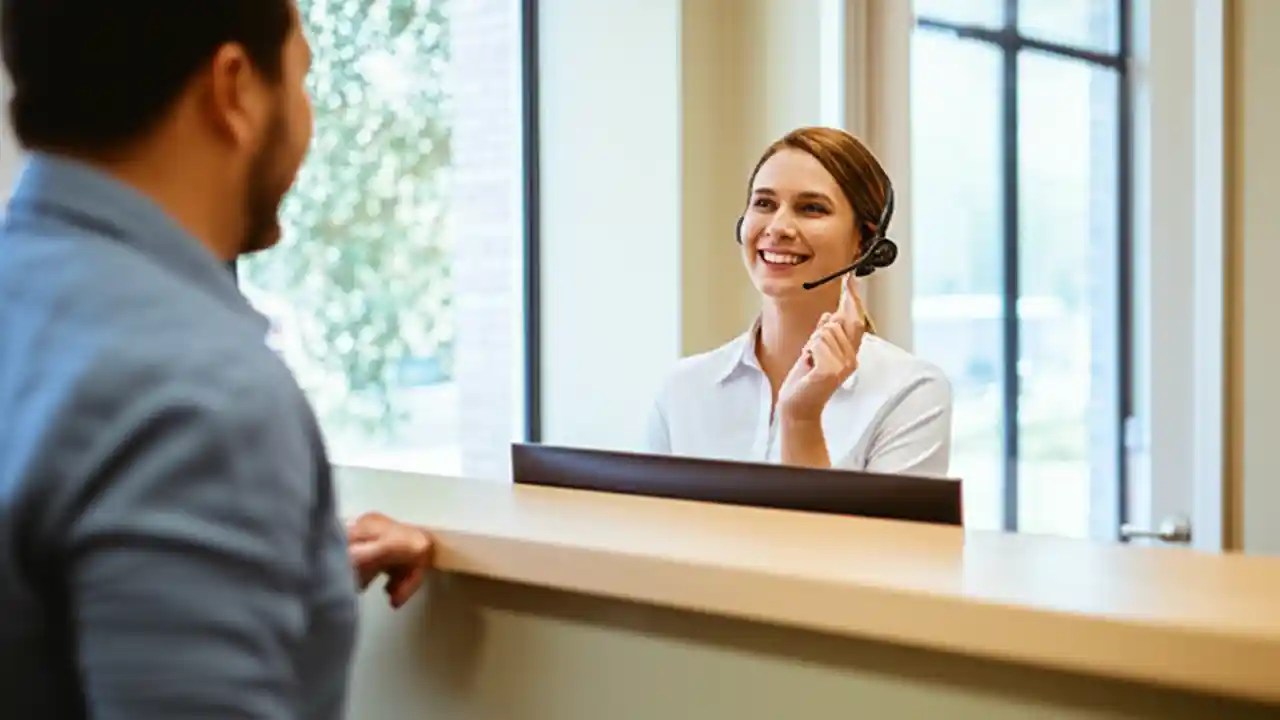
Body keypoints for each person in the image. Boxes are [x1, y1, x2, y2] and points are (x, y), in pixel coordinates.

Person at [0, 1, 431, 718]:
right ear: (233, 89)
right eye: (300, 79)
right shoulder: (197, 393)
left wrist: (257, 570)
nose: (305, 116)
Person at [646, 127, 953, 476]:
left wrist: (801, 417)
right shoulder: (682, 388)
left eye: (811, 208)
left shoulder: (911, 393)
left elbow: (843, 534)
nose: (778, 227)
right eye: (764, 203)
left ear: (865, 242)